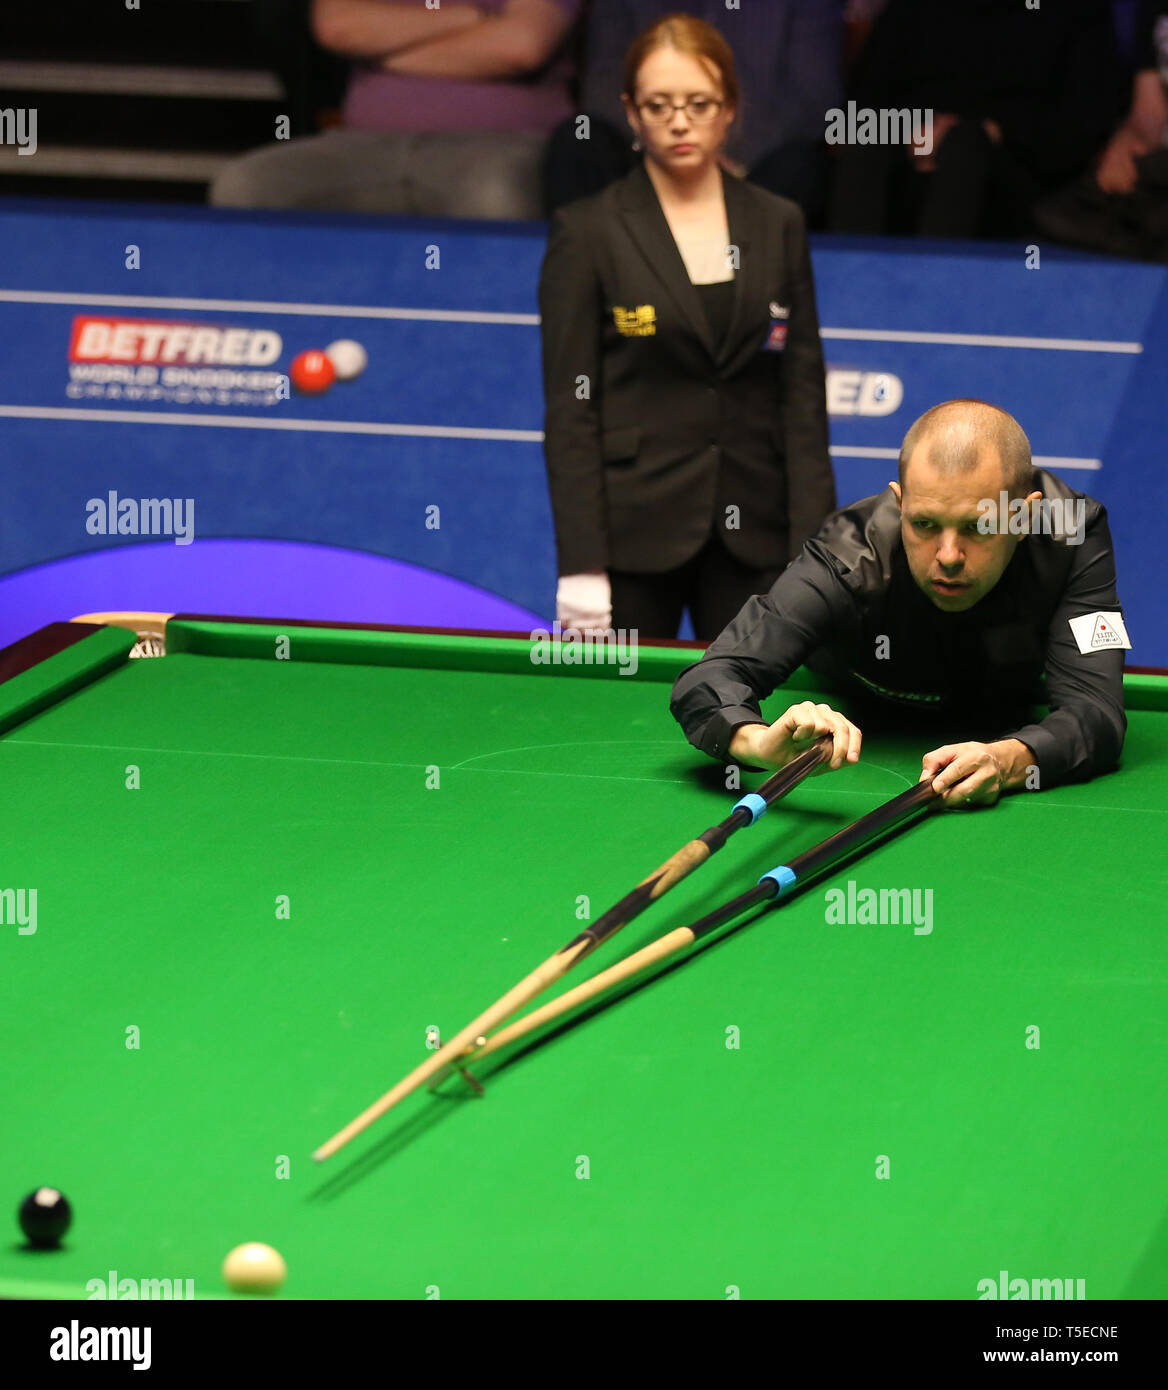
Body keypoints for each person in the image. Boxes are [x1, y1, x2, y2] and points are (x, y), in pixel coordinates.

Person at [670, 400, 1129, 806]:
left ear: (1024, 516)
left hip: (1000, 703)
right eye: (924, 524)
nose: (948, 557)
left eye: (978, 527)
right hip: (868, 692)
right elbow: (711, 676)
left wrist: (1008, 759)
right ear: (900, 504)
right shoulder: (849, 557)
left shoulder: (1070, 533)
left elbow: (1096, 711)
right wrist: (757, 743)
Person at [540, 14, 835, 640]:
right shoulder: (587, 231)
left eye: (699, 104)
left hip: (756, 536)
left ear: (729, 108)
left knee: (756, 699)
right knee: (610, 705)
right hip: (630, 537)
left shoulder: (779, 222)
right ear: (631, 111)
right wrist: (581, 564)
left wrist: (817, 556)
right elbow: (571, 412)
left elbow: (802, 398)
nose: (679, 122)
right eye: (658, 105)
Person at [211, 0, 583, 219]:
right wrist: (472, 16)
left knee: (495, 193)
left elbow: (521, 47)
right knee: (245, 186)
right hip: (362, 146)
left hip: (498, 146)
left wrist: (385, 53)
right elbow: (338, 27)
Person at [828, 0, 1122, 239]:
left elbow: (1082, 126)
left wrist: (994, 130)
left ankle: (940, 287)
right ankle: (847, 284)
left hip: (1015, 174)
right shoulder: (914, 8)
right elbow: (857, 110)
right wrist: (915, 132)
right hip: (906, 161)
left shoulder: (1075, 11)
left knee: (964, 147)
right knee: (869, 143)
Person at [541, 0, 845, 224]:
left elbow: (814, 98)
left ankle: (743, 280)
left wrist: (713, 156)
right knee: (579, 140)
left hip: (750, 169)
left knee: (803, 166)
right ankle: (603, 278)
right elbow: (603, 83)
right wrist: (667, 152)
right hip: (644, 158)